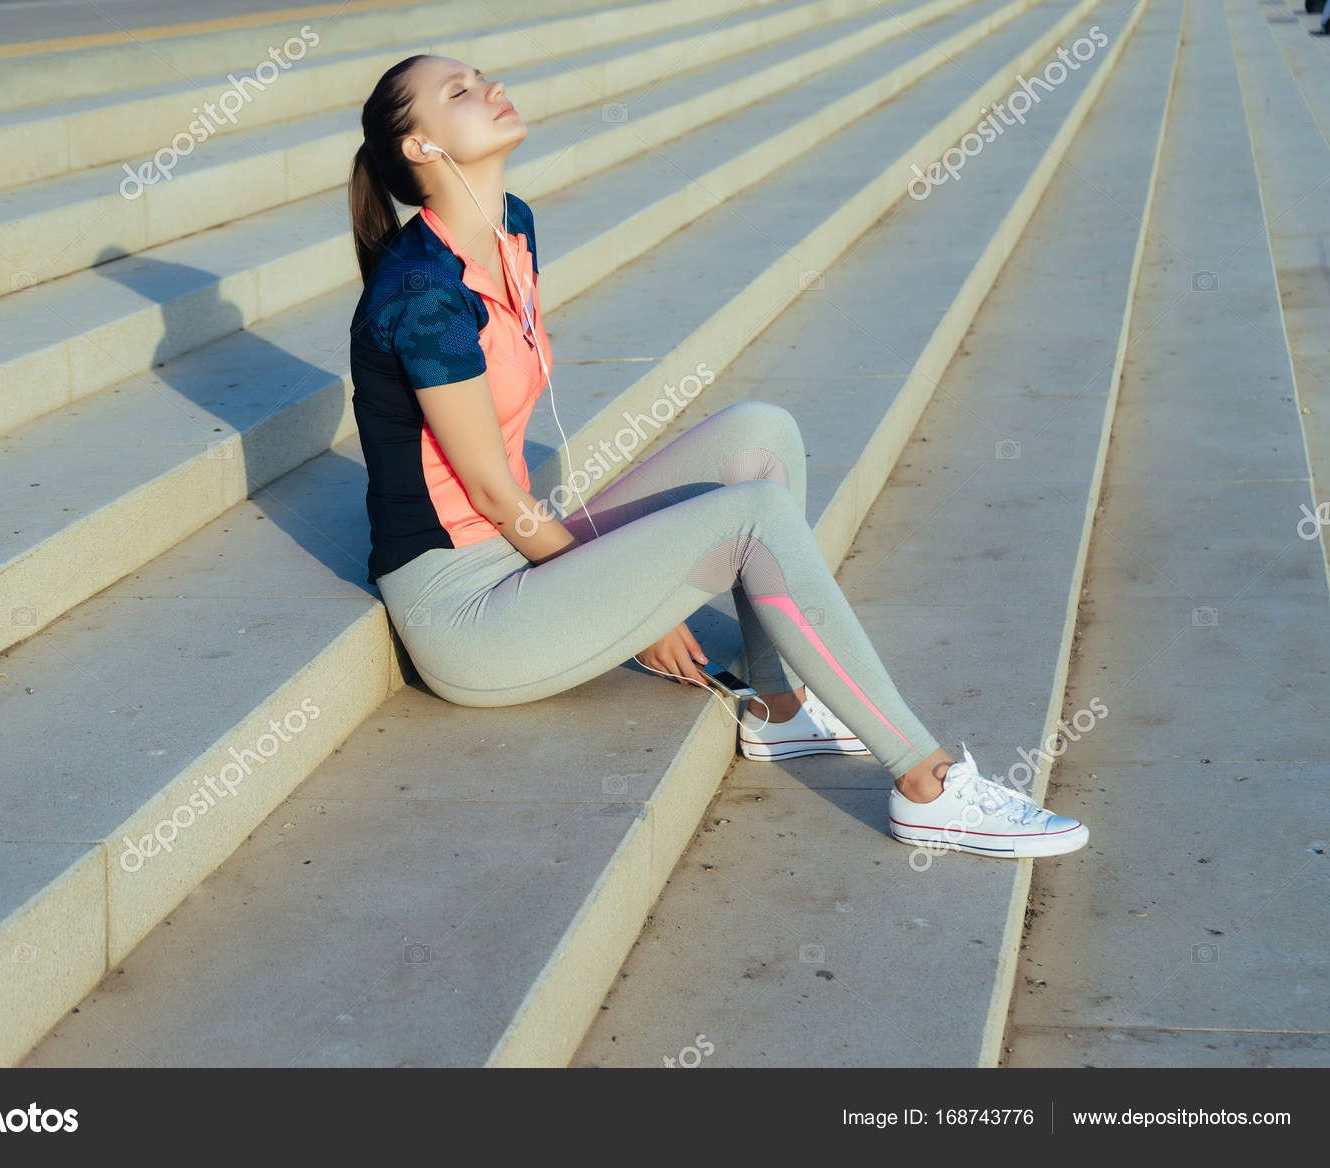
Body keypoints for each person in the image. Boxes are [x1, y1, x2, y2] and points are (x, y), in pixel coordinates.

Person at [344, 55, 1089, 860]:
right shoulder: (424, 297)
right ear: (419, 148)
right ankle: (926, 783)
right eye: (458, 92)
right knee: (753, 521)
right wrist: (650, 615)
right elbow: (490, 489)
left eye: (481, 75)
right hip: (467, 613)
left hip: (516, 552)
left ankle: (779, 706)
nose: (490, 88)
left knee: (759, 435)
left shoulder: (509, 225)